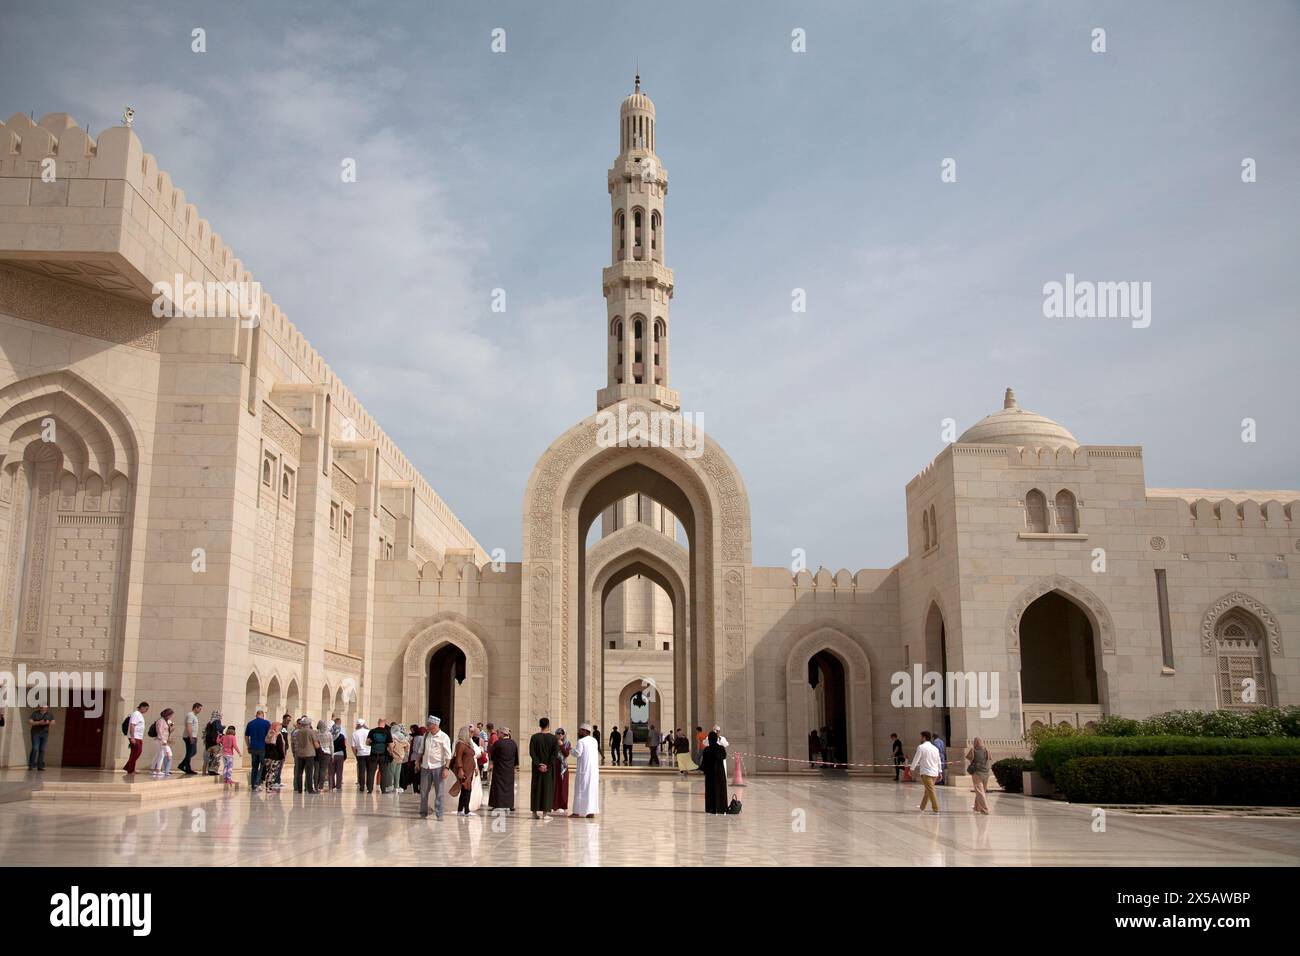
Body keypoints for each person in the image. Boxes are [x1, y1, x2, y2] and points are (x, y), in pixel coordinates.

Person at [419, 715, 452, 820]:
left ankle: (439, 813)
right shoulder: (426, 735)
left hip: (438, 767)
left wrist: (446, 768)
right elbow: (421, 750)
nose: (427, 726)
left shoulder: (444, 737)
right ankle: (423, 812)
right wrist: (417, 762)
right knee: (424, 791)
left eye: (429, 724)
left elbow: (448, 755)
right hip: (425, 766)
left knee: (439, 792)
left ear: (435, 725)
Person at [528, 717, 558, 818]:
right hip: (549, 769)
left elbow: (532, 753)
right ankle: (545, 813)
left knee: (536, 788)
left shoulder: (534, 737)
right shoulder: (554, 738)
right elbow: (555, 754)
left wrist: (538, 764)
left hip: (537, 768)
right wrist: (547, 765)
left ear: (540, 725)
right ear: (548, 725)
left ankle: (534, 813)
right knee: (547, 788)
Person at [571, 723, 600, 817]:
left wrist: (570, 749)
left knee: (580, 790)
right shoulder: (594, 740)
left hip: (584, 771)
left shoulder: (581, 741)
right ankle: (591, 812)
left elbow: (577, 753)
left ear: (584, 731)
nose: (578, 732)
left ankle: (577, 812)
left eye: (580, 730)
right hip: (593, 772)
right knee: (591, 791)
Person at [488, 727, 519, 811]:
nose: (497, 735)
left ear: (502, 733)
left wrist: (491, 764)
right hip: (509, 770)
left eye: (498, 733)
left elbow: (493, 756)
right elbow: (516, 757)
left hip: (499, 769)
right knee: (509, 788)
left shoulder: (497, 743)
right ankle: (510, 805)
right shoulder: (513, 743)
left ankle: (496, 804)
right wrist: (515, 767)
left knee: (497, 787)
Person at [910, 731, 941, 813]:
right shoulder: (935, 748)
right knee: (927, 790)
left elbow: (916, 758)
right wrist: (940, 771)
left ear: (924, 737)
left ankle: (936, 808)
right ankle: (922, 807)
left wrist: (912, 768)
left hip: (926, 773)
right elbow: (939, 761)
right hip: (934, 772)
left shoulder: (921, 747)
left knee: (930, 790)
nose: (919, 738)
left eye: (920, 737)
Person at [451, 725, 477, 816]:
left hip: (470, 770)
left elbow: (471, 757)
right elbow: (458, 758)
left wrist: (476, 768)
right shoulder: (460, 744)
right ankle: (466, 810)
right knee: (466, 789)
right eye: (470, 732)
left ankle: (461, 810)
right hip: (464, 770)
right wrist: (460, 769)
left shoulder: (468, 744)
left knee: (466, 789)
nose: (472, 734)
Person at [700, 731, 728, 814]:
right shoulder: (721, 748)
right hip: (720, 773)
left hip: (710, 774)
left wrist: (703, 769)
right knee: (720, 790)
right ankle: (721, 808)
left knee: (710, 791)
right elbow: (724, 756)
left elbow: (704, 763)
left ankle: (711, 808)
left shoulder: (706, 750)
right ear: (716, 739)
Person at [291, 717, 319, 794]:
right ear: (309, 724)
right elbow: (316, 745)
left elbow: (294, 743)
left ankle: (299, 789)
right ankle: (310, 789)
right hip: (309, 754)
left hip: (300, 754)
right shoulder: (311, 732)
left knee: (299, 772)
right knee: (309, 772)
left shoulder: (297, 732)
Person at [244, 709, 270, 791]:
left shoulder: (250, 723)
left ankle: (253, 785)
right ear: (263, 715)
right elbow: (269, 736)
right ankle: (257, 783)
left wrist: (249, 746)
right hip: (263, 747)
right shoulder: (266, 723)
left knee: (254, 766)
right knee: (262, 765)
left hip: (253, 747)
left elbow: (246, 736)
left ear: (256, 715)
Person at [966, 737, 991, 814]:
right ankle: (977, 807)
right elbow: (990, 758)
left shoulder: (973, 750)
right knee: (981, 790)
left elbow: (967, 757)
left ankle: (985, 809)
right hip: (986, 773)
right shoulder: (987, 750)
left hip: (977, 773)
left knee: (980, 791)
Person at [123, 701, 149, 774]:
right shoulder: (136, 714)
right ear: (142, 707)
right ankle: (130, 769)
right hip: (135, 737)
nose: (146, 711)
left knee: (137, 752)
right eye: (146, 709)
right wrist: (132, 737)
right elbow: (132, 725)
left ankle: (129, 767)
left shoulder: (139, 714)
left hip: (138, 737)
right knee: (135, 752)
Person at [366, 719, 391, 794]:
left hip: (373, 754)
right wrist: (391, 752)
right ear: (384, 723)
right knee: (383, 772)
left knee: (371, 772)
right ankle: (383, 790)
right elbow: (391, 744)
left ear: (378, 723)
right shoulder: (387, 732)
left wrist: (372, 744)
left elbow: (367, 742)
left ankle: (370, 789)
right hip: (383, 755)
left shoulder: (372, 731)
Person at [27, 703, 54, 771]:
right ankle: (31, 765)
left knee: (42, 750)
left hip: (44, 734)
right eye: (42, 706)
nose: (43, 707)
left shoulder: (49, 714)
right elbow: (30, 721)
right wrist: (39, 722)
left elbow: (53, 722)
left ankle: (40, 766)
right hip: (35, 733)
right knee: (35, 748)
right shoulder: (35, 713)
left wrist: (48, 722)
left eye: (45, 706)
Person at [178, 702, 202, 774]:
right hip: (189, 737)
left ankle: (186, 767)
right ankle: (183, 765)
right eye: (200, 709)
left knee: (190, 753)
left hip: (192, 736)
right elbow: (189, 726)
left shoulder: (194, 716)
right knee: (192, 752)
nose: (200, 710)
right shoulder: (190, 715)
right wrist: (191, 737)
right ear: (196, 708)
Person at [150, 708, 175, 777]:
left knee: (158, 754)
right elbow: (160, 731)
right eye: (170, 715)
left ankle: (153, 769)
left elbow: (165, 731)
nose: (171, 717)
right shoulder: (161, 721)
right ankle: (158, 770)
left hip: (161, 740)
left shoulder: (164, 721)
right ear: (167, 714)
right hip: (161, 740)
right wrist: (163, 741)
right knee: (163, 755)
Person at [386, 722, 409, 794]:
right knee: (397, 773)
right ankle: (396, 787)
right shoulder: (402, 736)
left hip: (394, 756)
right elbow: (407, 745)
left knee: (391, 772)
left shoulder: (392, 736)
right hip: (401, 756)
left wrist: (391, 752)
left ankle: (390, 786)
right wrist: (404, 752)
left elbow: (391, 746)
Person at [552, 728, 571, 814]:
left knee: (563, 787)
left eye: (562, 733)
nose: (560, 735)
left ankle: (563, 805)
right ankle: (554, 805)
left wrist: (561, 745)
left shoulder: (567, 743)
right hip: (554, 766)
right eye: (558, 733)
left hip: (563, 767)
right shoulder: (552, 742)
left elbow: (566, 753)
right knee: (555, 786)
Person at [262, 722, 285, 791]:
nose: (280, 728)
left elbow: (265, 745)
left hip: (267, 756)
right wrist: (282, 756)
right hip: (275, 756)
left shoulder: (269, 734)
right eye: (279, 727)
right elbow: (280, 747)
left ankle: (267, 786)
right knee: (273, 772)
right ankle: (270, 787)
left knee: (269, 771)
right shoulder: (278, 735)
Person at [351, 719, 371, 791]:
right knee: (369, 771)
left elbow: (353, 746)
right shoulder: (369, 731)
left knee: (361, 771)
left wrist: (356, 755)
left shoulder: (355, 733)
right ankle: (369, 786)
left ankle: (362, 786)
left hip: (360, 754)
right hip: (369, 753)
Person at [314, 719, 333, 792]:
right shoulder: (329, 734)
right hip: (326, 753)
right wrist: (332, 755)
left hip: (318, 753)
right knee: (323, 770)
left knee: (316, 770)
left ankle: (315, 786)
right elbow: (331, 746)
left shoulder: (316, 734)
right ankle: (320, 787)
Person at [203, 710, 223, 775]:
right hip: (215, 743)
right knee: (216, 757)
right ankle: (213, 770)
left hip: (208, 744)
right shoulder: (217, 721)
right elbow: (218, 730)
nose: (221, 717)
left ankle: (209, 770)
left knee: (210, 757)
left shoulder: (209, 723)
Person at [331, 720, 347, 791]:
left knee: (331, 771)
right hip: (340, 755)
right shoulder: (341, 736)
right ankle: (338, 786)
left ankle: (331, 785)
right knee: (339, 771)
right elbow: (343, 747)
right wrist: (345, 755)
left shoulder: (330, 736)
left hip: (332, 755)